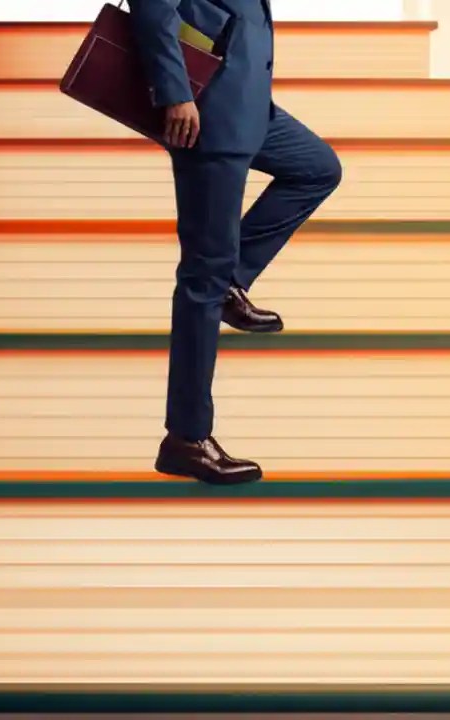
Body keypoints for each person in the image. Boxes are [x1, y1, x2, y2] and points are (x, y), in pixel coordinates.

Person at [126, 0, 343, 485]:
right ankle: (186, 439)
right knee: (202, 276)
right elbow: (152, 7)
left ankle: (232, 281)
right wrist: (175, 93)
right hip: (205, 111)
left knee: (317, 169)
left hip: (250, 104)